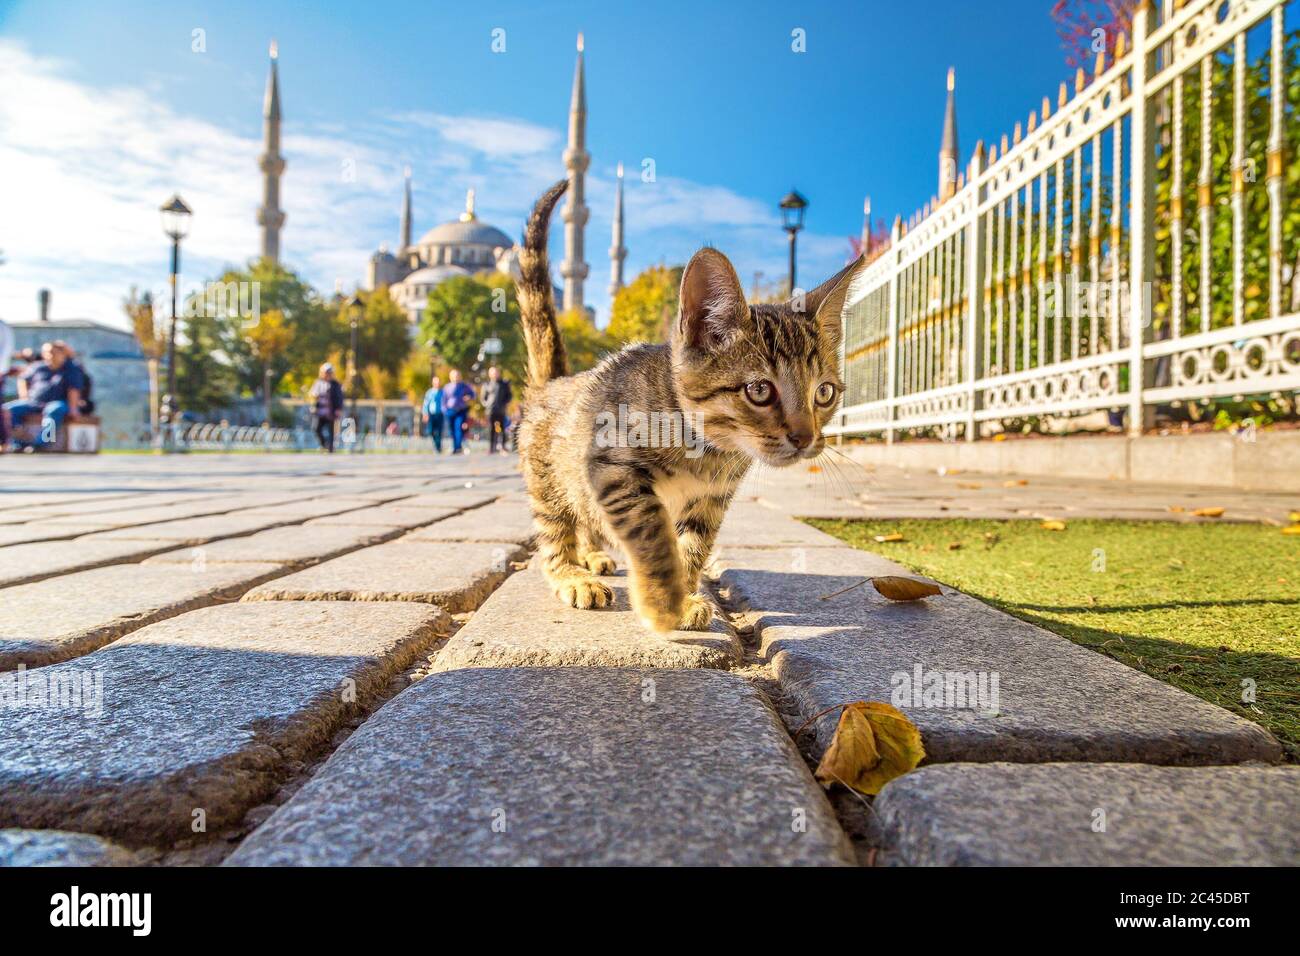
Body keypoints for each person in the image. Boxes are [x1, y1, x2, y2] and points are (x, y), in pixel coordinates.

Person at [3, 341, 84, 450]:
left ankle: (42, 443)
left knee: (53, 410)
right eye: (47, 352)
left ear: (62, 354)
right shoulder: (38, 367)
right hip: (34, 402)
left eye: (53, 352)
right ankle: (17, 443)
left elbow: (74, 389)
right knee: (6, 409)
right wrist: (24, 396)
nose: (50, 355)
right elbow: (23, 378)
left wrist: (73, 409)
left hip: (58, 402)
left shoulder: (71, 368)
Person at [308, 363, 344, 452]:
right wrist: (313, 402)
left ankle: (331, 448)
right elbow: (312, 394)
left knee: (331, 431)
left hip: (331, 412)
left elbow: (339, 398)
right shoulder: (318, 383)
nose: (327, 374)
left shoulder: (335, 384)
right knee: (316, 428)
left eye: (329, 372)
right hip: (320, 412)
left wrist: (338, 409)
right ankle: (324, 445)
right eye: (326, 372)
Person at [480, 365, 513, 454]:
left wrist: (505, 403)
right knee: (491, 429)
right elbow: (483, 398)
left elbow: (509, 396)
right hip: (490, 410)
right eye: (493, 373)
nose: (495, 374)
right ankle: (491, 448)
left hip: (501, 410)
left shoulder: (504, 384)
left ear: (499, 373)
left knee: (502, 428)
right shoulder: (486, 384)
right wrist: (487, 404)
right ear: (489, 374)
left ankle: (503, 446)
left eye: (496, 372)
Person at [441, 368, 475, 455]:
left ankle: (458, 447)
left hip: (461, 410)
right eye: (454, 376)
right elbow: (444, 399)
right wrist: (444, 410)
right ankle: (454, 446)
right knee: (451, 430)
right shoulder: (447, 387)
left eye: (457, 375)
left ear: (460, 376)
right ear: (450, 377)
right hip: (450, 411)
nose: (456, 377)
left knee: (458, 428)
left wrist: (468, 397)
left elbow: (472, 394)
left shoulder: (464, 386)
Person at [421, 375, 445, 453]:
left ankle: (438, 447)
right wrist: (425, 413)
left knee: (439, 431)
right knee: (430, 430)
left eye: (438, 382)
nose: (437, 383)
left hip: (440, 414)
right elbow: (425, 404)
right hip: (431, 414)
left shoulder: (442, 392)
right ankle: (436, 444)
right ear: (433, 383)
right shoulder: (429, 392)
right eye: (435, 382)